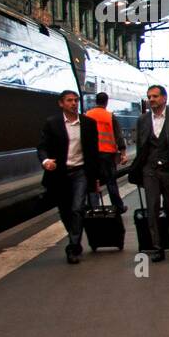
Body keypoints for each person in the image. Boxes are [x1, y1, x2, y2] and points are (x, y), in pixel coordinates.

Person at [128, 84, 169, 263]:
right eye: (149, 97)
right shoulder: (142, 120)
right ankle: (157, 247)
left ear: (164, 98)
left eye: (155, 96)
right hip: (149, 170)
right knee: (152, 207)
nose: (151, 100)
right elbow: (141, 147)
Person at [37, 89, 101, 264]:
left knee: (77, 208)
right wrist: (45, 161)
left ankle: (73, 246)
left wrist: (96, 178)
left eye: (76, 100)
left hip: (81, 172)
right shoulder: (52, 123)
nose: (74, 103)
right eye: (69, 100)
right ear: (61, 103)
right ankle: (75, 238)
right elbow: (42, 147)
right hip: (60, 174)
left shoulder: (88, 123)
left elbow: (94, 152)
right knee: (65, 211)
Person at [83, 92, 127, 212]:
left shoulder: (87, 115)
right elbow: (118, 136)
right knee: (111, 182)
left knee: (92, 183)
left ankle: (94, 209)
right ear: (106, 102)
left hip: (92, 155)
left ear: (96, 101)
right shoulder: (109, 116)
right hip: (108, 154)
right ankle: (118, 207)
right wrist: (123, 154)